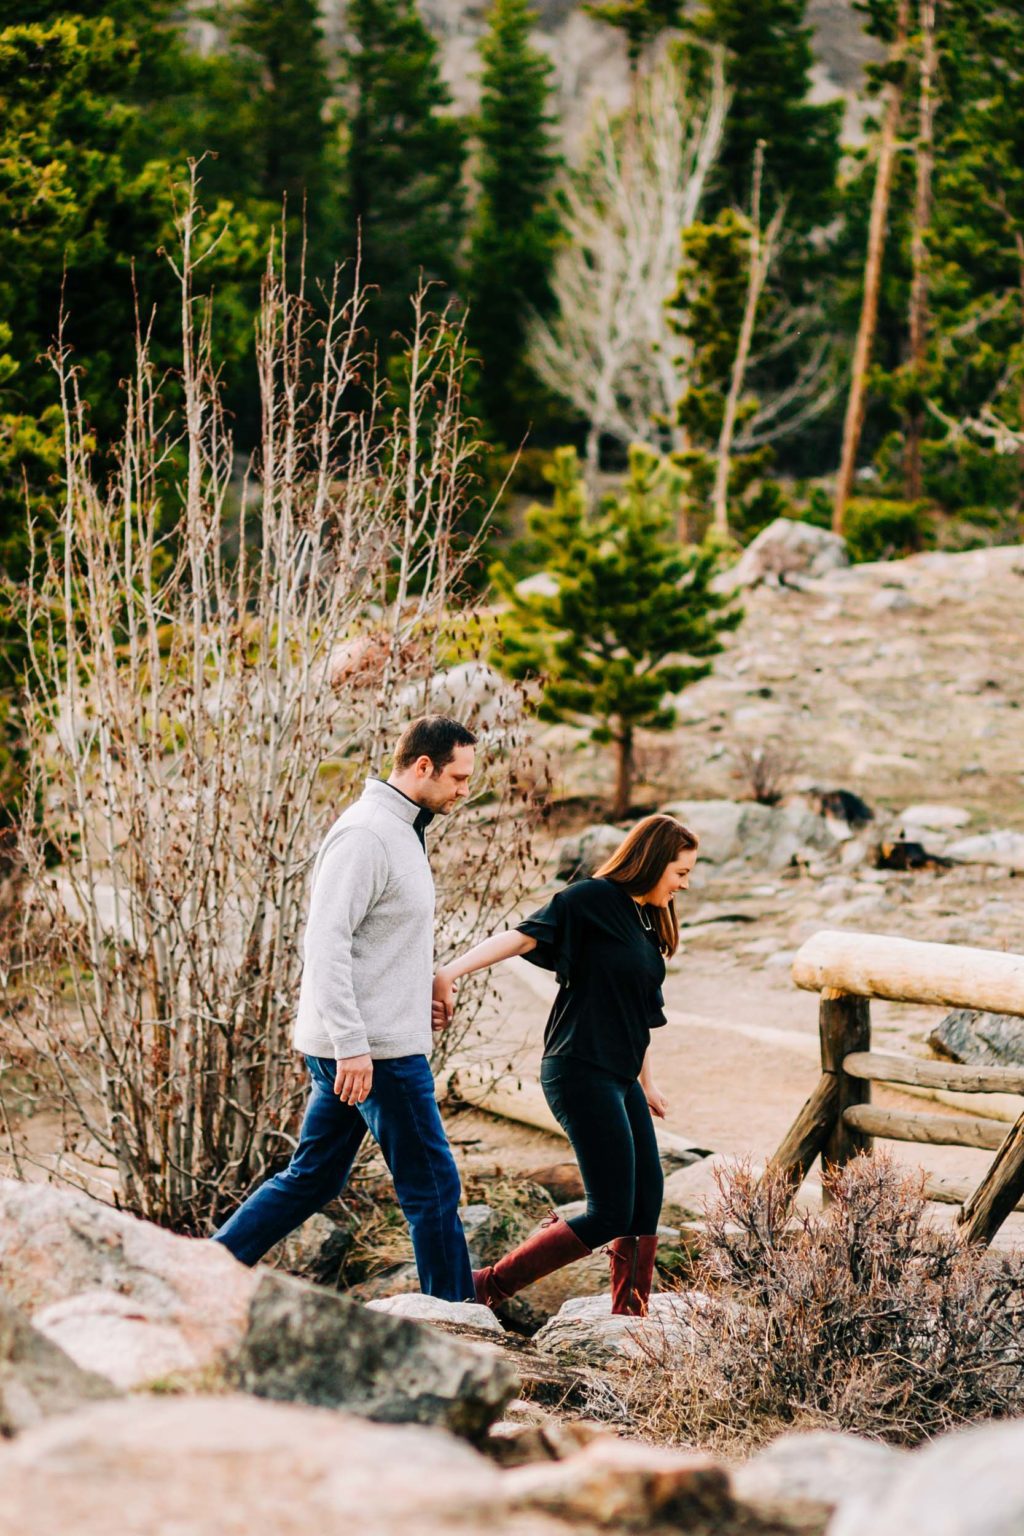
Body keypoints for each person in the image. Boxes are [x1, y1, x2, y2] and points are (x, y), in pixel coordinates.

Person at [213, 715, 478, 1302]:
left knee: (313, 1179)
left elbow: (381, 934)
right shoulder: (366, 834)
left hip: (369, 1042)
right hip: (373, 1052)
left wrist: (428, 979)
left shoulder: (404, 827)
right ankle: (462, 1327)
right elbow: (325, 943)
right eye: (459, 778)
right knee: (433, 1189)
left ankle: (205, 1267)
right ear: (422, 767)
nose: (465, 790)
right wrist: (353, 1045)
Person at [432, 814, 698, 1317]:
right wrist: (449, 970)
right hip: (578, 1069)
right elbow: (522, 937)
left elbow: (638, 1013)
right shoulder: (591, 900)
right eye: (680, 873)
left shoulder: (647, 922)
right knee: (609, 1210)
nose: (685, 884)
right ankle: (485, 1286)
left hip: (619, 1077)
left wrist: (648, 1083)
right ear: (654, 862)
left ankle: (629, 1315)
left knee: (646, 1200)